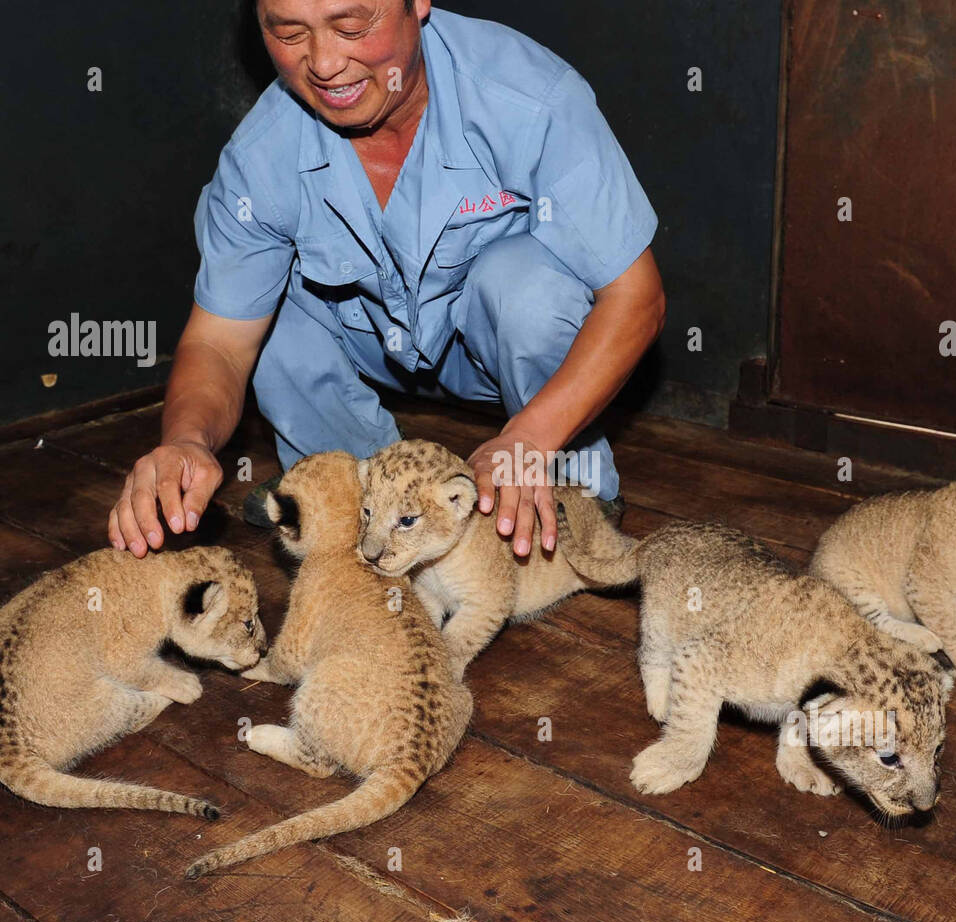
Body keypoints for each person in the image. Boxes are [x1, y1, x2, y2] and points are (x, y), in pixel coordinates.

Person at [108, 0, 665, 559]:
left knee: (525, 285)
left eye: (351, 26)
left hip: (496, 345)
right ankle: (349, 489)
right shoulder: (261, 157)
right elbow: (219, 344)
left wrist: (527, 441)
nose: (324, 63)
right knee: (275, 305)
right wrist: (184, 441)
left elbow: (636, 297)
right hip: (369, 338)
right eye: (289, 33)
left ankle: (572, 492)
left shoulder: (530, 98)